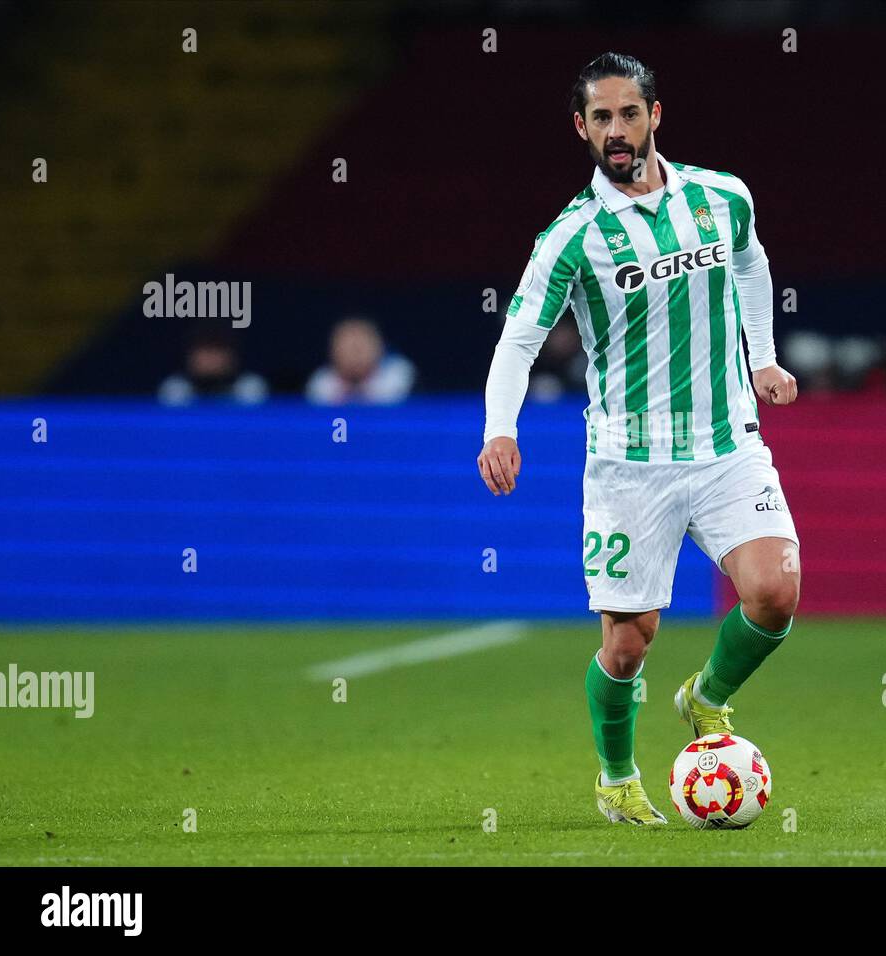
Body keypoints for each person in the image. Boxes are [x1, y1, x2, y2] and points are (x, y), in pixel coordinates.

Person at [477, 52, 801, 826]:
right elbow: (519, 339)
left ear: (656, 115)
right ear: (581, 129)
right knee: (628, 646)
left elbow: (751, 266)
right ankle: (617, 778)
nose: (616, 131)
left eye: (629, 114)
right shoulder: (571, 237)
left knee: (775, 594)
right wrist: (500, 427)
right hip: (630, 465)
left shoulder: (723, 198)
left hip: (727, 444)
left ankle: (707, 697)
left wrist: (763, 359)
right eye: (600, 119)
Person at [306, 317, 416, 405]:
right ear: (332, 350)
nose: (355, 355)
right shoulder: (321, 383)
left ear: (380, 347)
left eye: (360, 347)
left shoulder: (401, 379)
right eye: (348, 347)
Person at [158, 329, 267, 405]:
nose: (211, 358)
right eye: (205, 350)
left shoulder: (251, 387)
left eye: (217, 350)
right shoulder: (174, 388)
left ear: (232, 356)